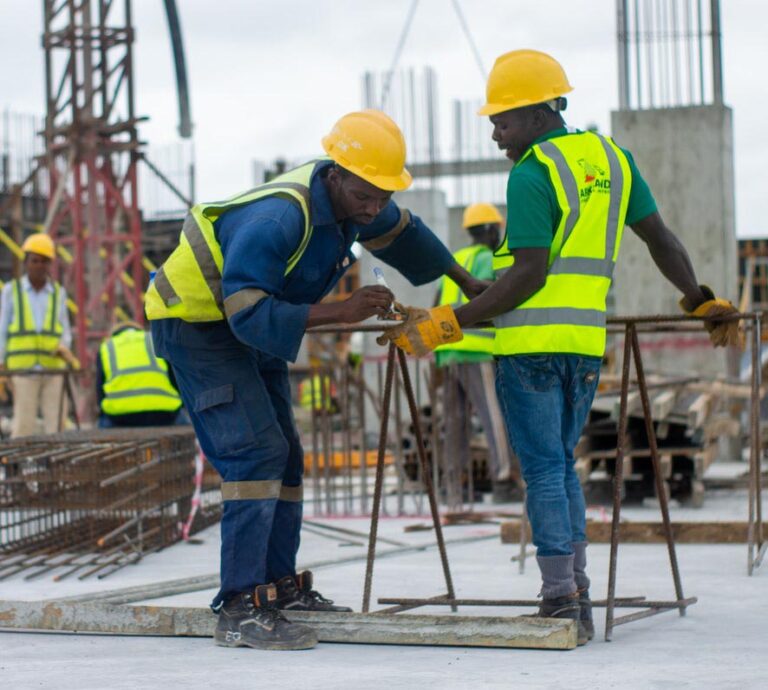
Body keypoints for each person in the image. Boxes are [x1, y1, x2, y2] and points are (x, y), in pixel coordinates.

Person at [381, 50, 738, 645]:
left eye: (503, 120)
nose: (496, 134)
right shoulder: (613, 158)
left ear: (539, 111)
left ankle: (560, 600)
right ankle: (576, 590)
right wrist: (699, 298)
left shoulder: (530, 172)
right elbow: (661, 239)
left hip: (530, 349)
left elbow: (527, 276)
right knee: (562, 466)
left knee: (544, 470)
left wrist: (447, 324)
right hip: (583, 347)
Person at [145, 109, 480, 650]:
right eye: (366, 196)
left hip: (247, 320)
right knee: (255, 453)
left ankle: (278, 588)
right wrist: (342, 312)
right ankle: (239, 606)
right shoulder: (278, 219)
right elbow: (247, 312)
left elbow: (407, 236)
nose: (373, 208)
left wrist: (471, 285)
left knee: (288, 456)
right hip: (197, 324)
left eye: (381, 196)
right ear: (335, 174)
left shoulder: (359, 195)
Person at [434, 203, 519, 505]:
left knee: (454, 421)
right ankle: (503, 480)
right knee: (492, 416)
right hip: (476, 349)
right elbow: (497, 298)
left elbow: (437, 303)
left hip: (448, 352)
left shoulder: (456, 260)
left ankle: (451, 484)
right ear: (490, 229)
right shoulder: (487, 259)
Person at [0, 233, 73, 437]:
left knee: (57, 425)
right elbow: (2, 329)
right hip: (23, 369)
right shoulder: (11, 291)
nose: (39, 266)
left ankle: (58, 466)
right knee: (24, 424)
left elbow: (64, 329)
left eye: (44, 261)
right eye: (35, 261)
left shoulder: (58, 293)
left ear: (50, 264)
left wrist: (64, 346)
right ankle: (18, 469)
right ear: (26, 262)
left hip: (53, 368)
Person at [96, 322, 185, 427]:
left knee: (103, 422)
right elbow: (175, 379)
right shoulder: (153, 339)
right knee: (186, 423)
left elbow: (100, 389)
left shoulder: (106, 347)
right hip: (163, 413)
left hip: (121, 416)